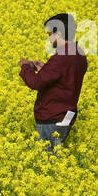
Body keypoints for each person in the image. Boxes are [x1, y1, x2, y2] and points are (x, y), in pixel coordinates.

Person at [19, 13, 88, 154]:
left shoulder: (61, 58)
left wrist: (25, 67)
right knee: (55, 157)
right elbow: (66, 78)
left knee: (48, 157)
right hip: (66, 115)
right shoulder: (78, 53)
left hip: (52, 116)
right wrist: (46, 69)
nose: (49, 38)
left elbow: (36, 83)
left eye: (50, 34)